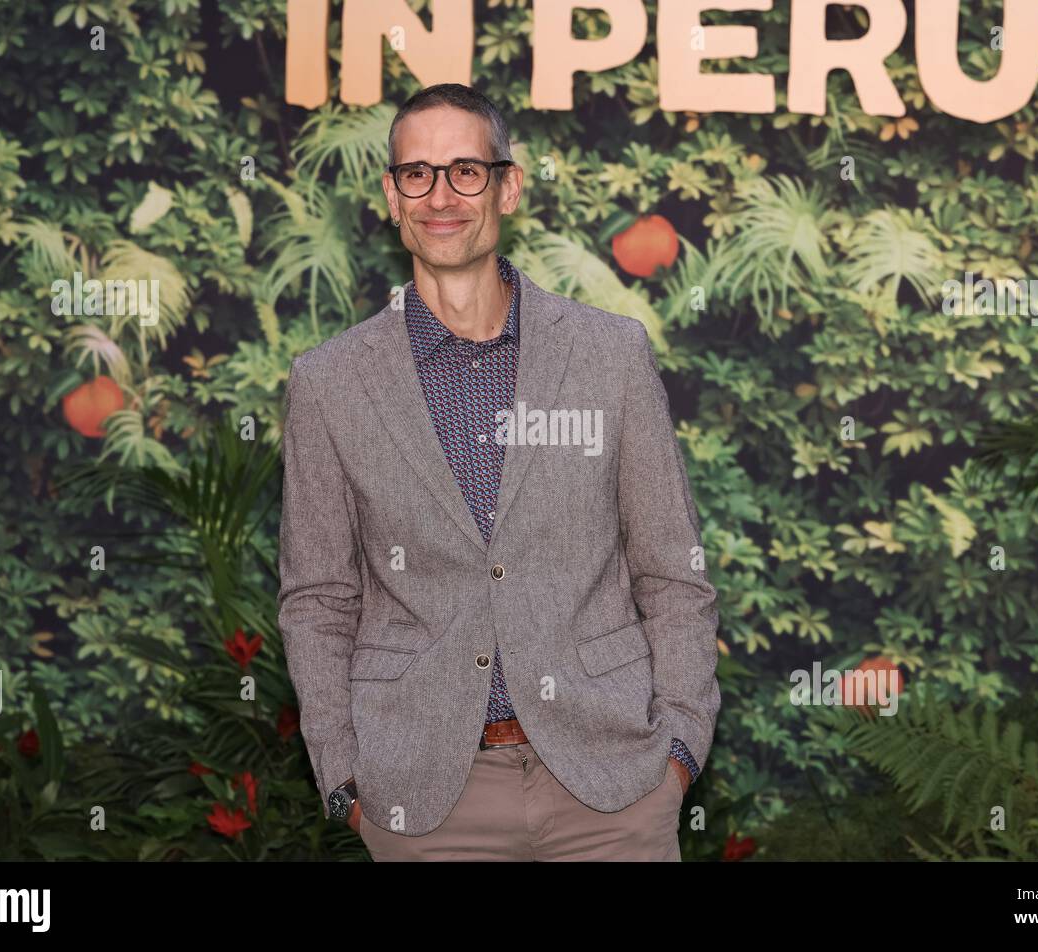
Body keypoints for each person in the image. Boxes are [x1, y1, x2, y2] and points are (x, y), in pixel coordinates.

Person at [277, 82, 720, 860]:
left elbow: (671, 571)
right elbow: (318, 599)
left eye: (465, 171)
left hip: (611, 785)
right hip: (424, 798)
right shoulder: (330, 381)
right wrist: (346, 782)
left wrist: (678, 752)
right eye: (417, 173)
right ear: (391, 194)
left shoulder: (609, 354)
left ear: (508, 185)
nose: (440, 196)